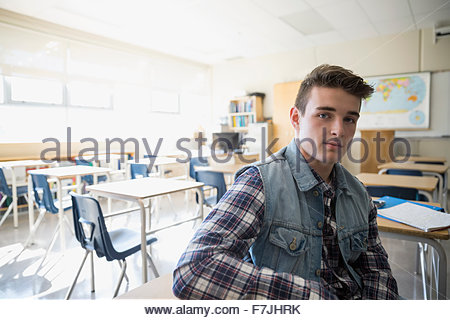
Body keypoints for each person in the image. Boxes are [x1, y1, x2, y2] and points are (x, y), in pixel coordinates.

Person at [172, 64, 399, 300]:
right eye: (324, 115)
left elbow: (377, 270)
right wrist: (313, 299)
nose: (338, 130)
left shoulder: (359, 193)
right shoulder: (260, 183)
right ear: (295, 118)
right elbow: (194, 270)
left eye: (350, 119)